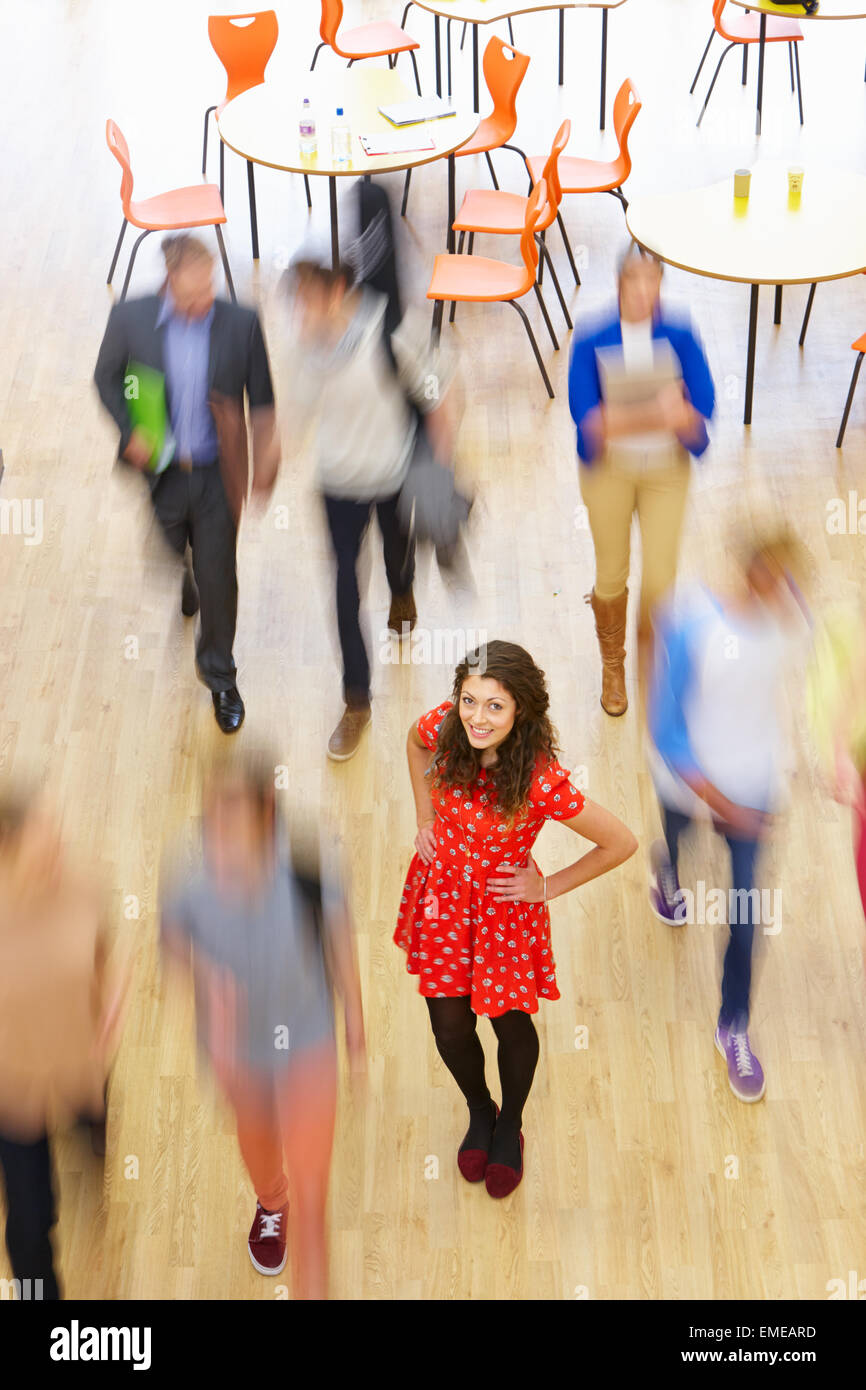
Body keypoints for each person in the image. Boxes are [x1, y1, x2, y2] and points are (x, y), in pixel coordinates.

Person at [395, 641, 637, 1196]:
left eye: (495, 706)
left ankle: (511, 1124)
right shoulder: (446, 727)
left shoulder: (541, 779)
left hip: (503, 912)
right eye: (469, 701)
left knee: (508, 1024)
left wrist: (546, 886)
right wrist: (423, 815)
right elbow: (413, 741)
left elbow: (620, 842)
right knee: (449, 1023)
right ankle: (481, 1109)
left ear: (521, 710)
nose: (477, 718)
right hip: (444, 897)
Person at [159, 752, 365, 1299]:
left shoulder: (307, 856)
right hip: (238, 1051)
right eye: (212, 810)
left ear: (265, 811)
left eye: (232, 811)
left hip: (308, 1040)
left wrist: (356, 1026)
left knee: (314, 1200)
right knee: (259, 1155)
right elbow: (172, 938)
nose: (217, 824)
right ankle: (272, 1204)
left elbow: (339, 935)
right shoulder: (187, 867)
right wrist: (205, 975)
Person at [647, 529, 810, 1103]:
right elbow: (665, 730)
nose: (786, 594)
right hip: (691, 778)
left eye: (791, 583)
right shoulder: (692, 622)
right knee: (676, 834)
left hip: (754, 789)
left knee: (746, 916)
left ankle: (732, 1024)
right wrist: (724, 805)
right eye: (775, 580)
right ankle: (665, 871)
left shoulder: (791, 617)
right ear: (749, 573)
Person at [93, 233, 280, 734]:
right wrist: (131, 430)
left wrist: (265, 459)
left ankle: (220, 676)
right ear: (170, 282)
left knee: (220, 577)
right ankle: (186, 569)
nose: (206, 301)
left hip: (219, 475)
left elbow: (261, 397)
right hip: (162, 473)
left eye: (210, 287)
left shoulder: (241, 324)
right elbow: (106, 377)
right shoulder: (130, 319)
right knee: (172, 548)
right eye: (194, 292)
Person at [283, 248, 456, 762]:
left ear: (338, 292)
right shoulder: (308, 346)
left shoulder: (390, 329)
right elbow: (296, 412)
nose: (301, 312)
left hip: (395, 474)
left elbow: (437, 390)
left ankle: (403, 593)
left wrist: (440, 464)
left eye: (309, 300)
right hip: (338, 482)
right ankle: (356, 700)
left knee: (397, 555)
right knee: (343, 585)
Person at [568, 246, 715, 717]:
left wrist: (627, 417)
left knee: (661, 579)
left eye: (654, 282)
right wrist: (662, 412)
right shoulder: (592, 337)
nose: (645, 292)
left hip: (666, 473)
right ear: (619, 285)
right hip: (608, 472)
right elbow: (588, 421)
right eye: (636, 281)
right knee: (611, 574)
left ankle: (653, 665)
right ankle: (614, 667)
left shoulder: (680, 333)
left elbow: (704, 408)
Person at [0, 790, 124, 1299]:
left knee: (89, 1110)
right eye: (44, 847)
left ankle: (91, 1125)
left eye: (57, 839)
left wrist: (110, 1002)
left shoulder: (79, 888)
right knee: (31, 1219)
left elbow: (102, 953)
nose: (58, 852)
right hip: (13, 1091)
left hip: (78, 1055)